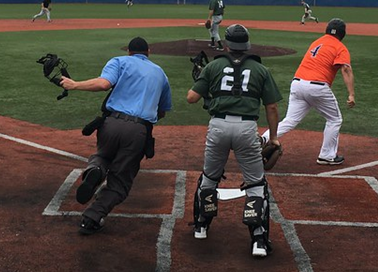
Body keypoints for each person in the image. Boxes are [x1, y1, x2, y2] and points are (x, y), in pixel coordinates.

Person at [60, 36, 172, 235]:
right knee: (120, 181)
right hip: (138, 130)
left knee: (103, 155)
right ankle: (91, 217)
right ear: (148, 53)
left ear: (129, 51)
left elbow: (104, 84)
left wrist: (74, 84)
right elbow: (162, 111)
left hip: (110, 124)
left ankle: (95, 169)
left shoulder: (119, 61)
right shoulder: (160, 73)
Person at [187, 24, 282, 258]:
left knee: (210, 177)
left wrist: (206, 82)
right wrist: (275, 138)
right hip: (246, 128)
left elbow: (191, 98)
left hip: (218, 126)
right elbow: (271, 107)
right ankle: (258, 239)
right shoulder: (260, 69)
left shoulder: (214, 66)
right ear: (248, 45)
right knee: (255, 183)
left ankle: (201, 225)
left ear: (227, 45)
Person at [262, 18, 355, 166]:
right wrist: (351, 94)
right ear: (343, 34)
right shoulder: (340, 47)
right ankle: (327, 155)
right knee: (334, 119)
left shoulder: (317, 42)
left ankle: (264, 139)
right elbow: (345, 69)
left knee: (290, 120)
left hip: (297, 84)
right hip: (317, 87)